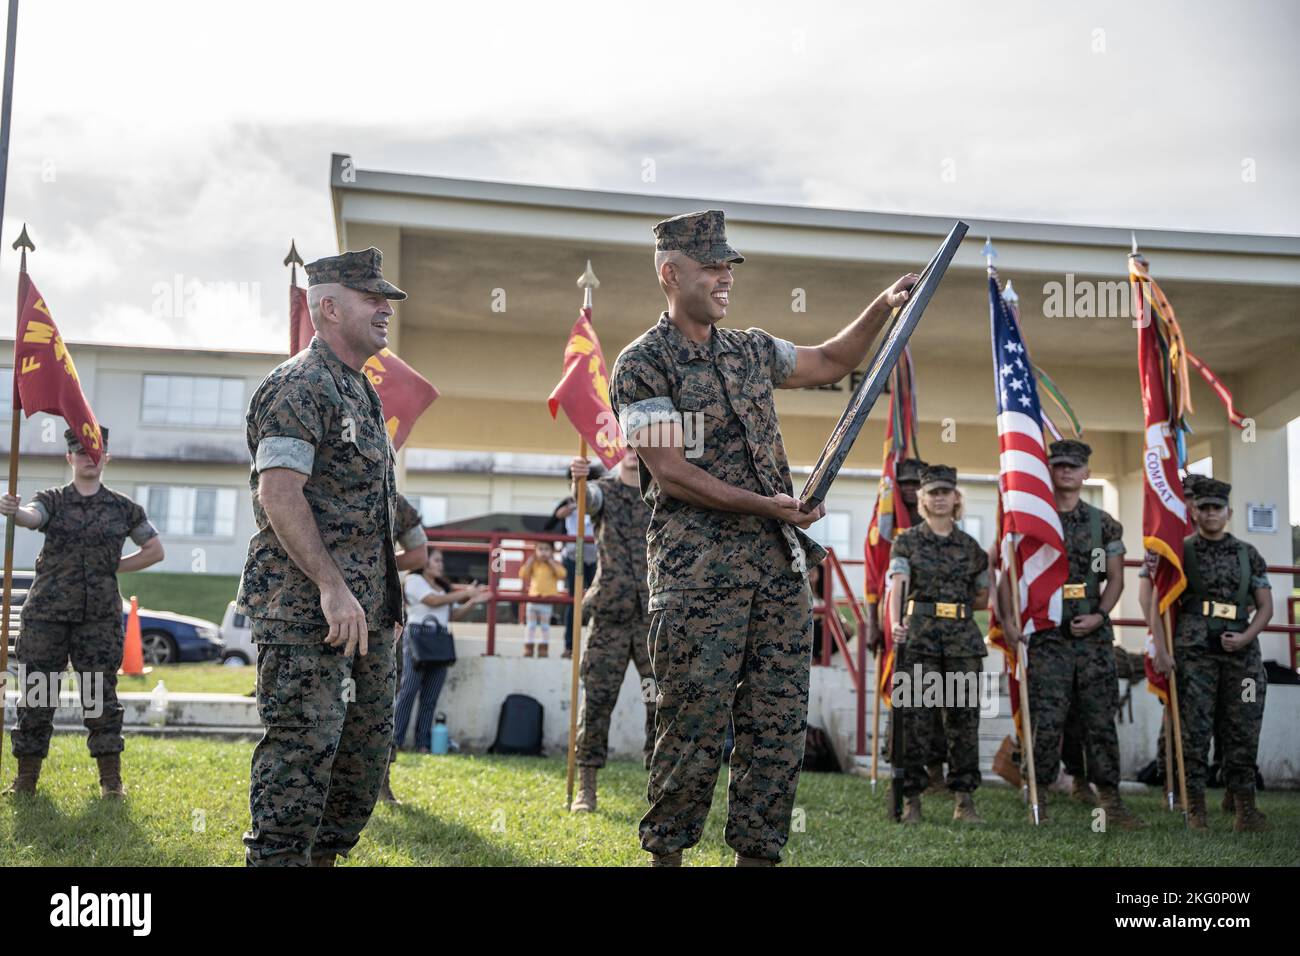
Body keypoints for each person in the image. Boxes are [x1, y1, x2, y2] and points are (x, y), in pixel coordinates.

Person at [610, 208, 918, 866]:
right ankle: (666, 855)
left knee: (775, 732)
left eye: (729, 266)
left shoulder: (751, 350)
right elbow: (671, 472)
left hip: (775, 578)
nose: (726, 276)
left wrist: (883, 308)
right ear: (672, 273)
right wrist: (772, 507)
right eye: (713, 266)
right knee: (690, 731)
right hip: (697, 583)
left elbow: (833, 360)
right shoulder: (641, 365)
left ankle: (758, 856)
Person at [237, 247, 406, 867]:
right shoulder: (298, 386)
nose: (385, 308)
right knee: (300, 758)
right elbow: (278, 492)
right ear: (329, 307)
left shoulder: (360, 392)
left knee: (360, 762)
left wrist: (383, 602)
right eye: (372, 298)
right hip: (307, 611)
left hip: (366, 617)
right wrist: (333, 587)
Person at [1, 426, 163, 797]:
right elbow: (32, 516)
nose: (89, 458)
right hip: (46, 617)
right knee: (38, 696)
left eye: (96, 451)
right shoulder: (53, 500)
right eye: (81, 451)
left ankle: (111, 783)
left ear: (106, 457)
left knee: (99, 697)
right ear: (69, 457)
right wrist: (14, 510)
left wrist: (113, 564)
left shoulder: (123, 508)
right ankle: (25, 781)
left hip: (98, 619)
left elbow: (154, 549)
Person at [1003, 440, 1142, 828]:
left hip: (1092, 635)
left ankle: (1111, 801)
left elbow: (1115, 579)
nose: (1066, 471)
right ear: (1049, 470)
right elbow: (1008, 576)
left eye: (1073, 466)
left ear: (1086, 474)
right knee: (1047, 719)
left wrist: (1100, 615)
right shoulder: (1031, 520)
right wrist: (1010, 621)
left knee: (1098, 718)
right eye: (1059, 465)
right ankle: (1038, 797)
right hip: (1047, 634)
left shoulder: (1104, 524)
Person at [1152, 478, 1272, 832]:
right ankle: (1196, 809)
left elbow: (1265, 607)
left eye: (1216, 508)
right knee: (1194, 731)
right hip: (1195, 653)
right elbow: (1159, 604)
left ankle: (1245, 811)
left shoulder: (1247, 554)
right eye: (1203, 507)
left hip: (1242, 655)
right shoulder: (1179, 552)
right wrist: (1161, 649)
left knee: (1243, 728)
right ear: (1194, 511)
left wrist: (1246, 636)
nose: (1210, 513)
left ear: (1228, 512)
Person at [887, 464, 989, 824]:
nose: (940, 498)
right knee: (915, 719)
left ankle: (964, 798)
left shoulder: (972, 548)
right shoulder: (907, 541)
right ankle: (912, 797)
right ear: (922, 498)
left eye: (946, 492)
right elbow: (896, 587)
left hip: (962, 642)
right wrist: (895, 623)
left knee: (963, 721)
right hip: (919, 640)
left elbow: (982, 596)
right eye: (933, 492)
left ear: (955, 497)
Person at [569, 449, 656, 812]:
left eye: (642, 449)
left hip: (654, 618)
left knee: (659, 702)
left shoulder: (662, 494)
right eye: (628, 449)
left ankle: (660, 784)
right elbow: (586, 502)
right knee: (598, 701)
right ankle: (586, 788)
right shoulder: (604, 490)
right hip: (610, 616)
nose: (634, 456)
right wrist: (578, 479)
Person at [866, 457, 947, 795]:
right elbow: (874, 575)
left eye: (918, 484)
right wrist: (874, 623)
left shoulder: (941, 525)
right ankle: (900, 769)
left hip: (940, 627)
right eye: (905, 484)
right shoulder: (890, 525)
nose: (912, 490)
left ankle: (937, 772)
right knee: (905, 697)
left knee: (941, 696)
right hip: (897, 623)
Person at [394, 547, 489, 754]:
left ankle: (422, 743)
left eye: (440, 561)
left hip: (440, 637)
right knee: (408, 689)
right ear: (424, 563)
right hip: (418, 636)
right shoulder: (414, 581)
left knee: (431, 694)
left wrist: (472, 601)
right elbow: (432, 601)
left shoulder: (443, 588)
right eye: (436, 560)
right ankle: (395, 740)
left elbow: (451, 615)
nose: (440, 565)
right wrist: (465, 593)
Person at [377, 493, 431, 804]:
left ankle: (381, 782)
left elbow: (419, 555)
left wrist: (378, 563)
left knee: (383, 701)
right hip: (323, 607)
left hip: (383, 612)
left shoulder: (395, 501)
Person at [552, 495, 595, 659]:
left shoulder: (600, 498)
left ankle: (593, 646)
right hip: (575, 554)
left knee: (596, 600)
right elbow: (557, 515)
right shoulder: (570, 501)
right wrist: (572, 507)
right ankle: (569, 645)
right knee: (574, 599)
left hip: (595, 556)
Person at [519, 540, 566, 657]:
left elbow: (562, 574)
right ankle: (528, 647)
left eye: (546, 549)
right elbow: (523, 574)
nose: (543, 552)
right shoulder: (534, 564)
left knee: (545, 626)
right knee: (530, 625)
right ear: (535, 551)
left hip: (547, 601)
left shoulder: (554, 565)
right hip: (533, 599)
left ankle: (543, 648)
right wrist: (530, 560)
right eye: (540, 549)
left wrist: (552, 562)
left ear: (552, 552)